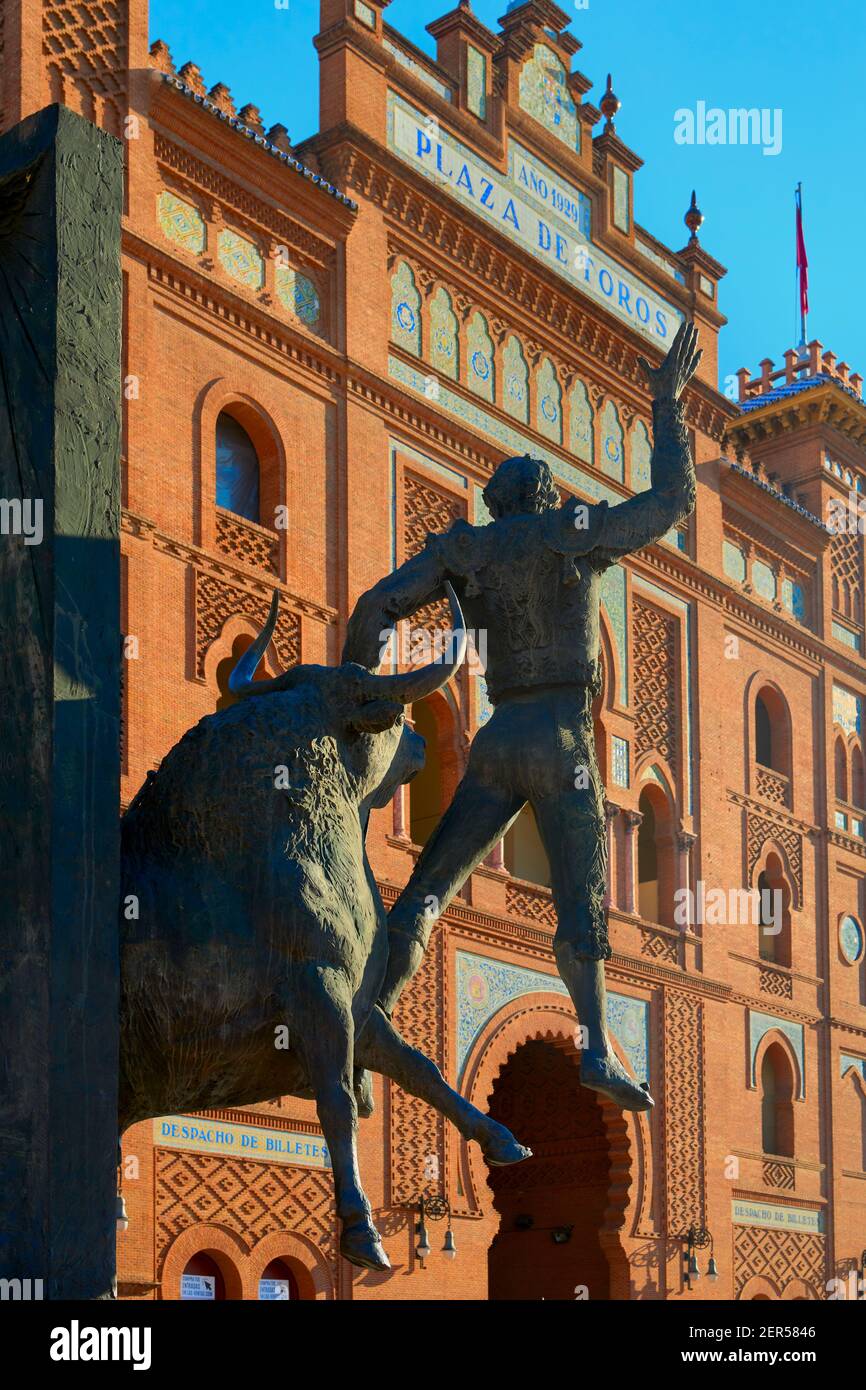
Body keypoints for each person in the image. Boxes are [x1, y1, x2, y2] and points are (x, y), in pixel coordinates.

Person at [345, 320, 702, 1111]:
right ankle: (597, 1049)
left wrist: (354, 691)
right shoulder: (566, 534)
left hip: (499, 739)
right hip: (564, 738)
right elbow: (670, 503)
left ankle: (369, 1019)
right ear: (544, 498)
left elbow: (375, 607)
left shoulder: (464, 548)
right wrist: (665, 406)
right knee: (582, 904)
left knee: (427, 895)